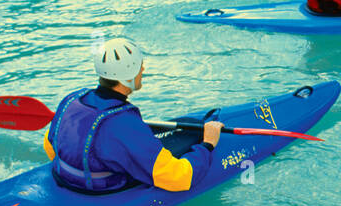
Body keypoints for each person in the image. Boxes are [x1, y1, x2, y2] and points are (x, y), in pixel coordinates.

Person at [43, 37, 223, 194]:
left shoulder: (70, 99)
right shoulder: (124, 124)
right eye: (139, 66)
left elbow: (50, 147)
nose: (143, 69)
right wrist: (207, 145)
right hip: (101, 190)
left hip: (64, 178)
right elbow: (179, 179)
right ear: (128, 76)